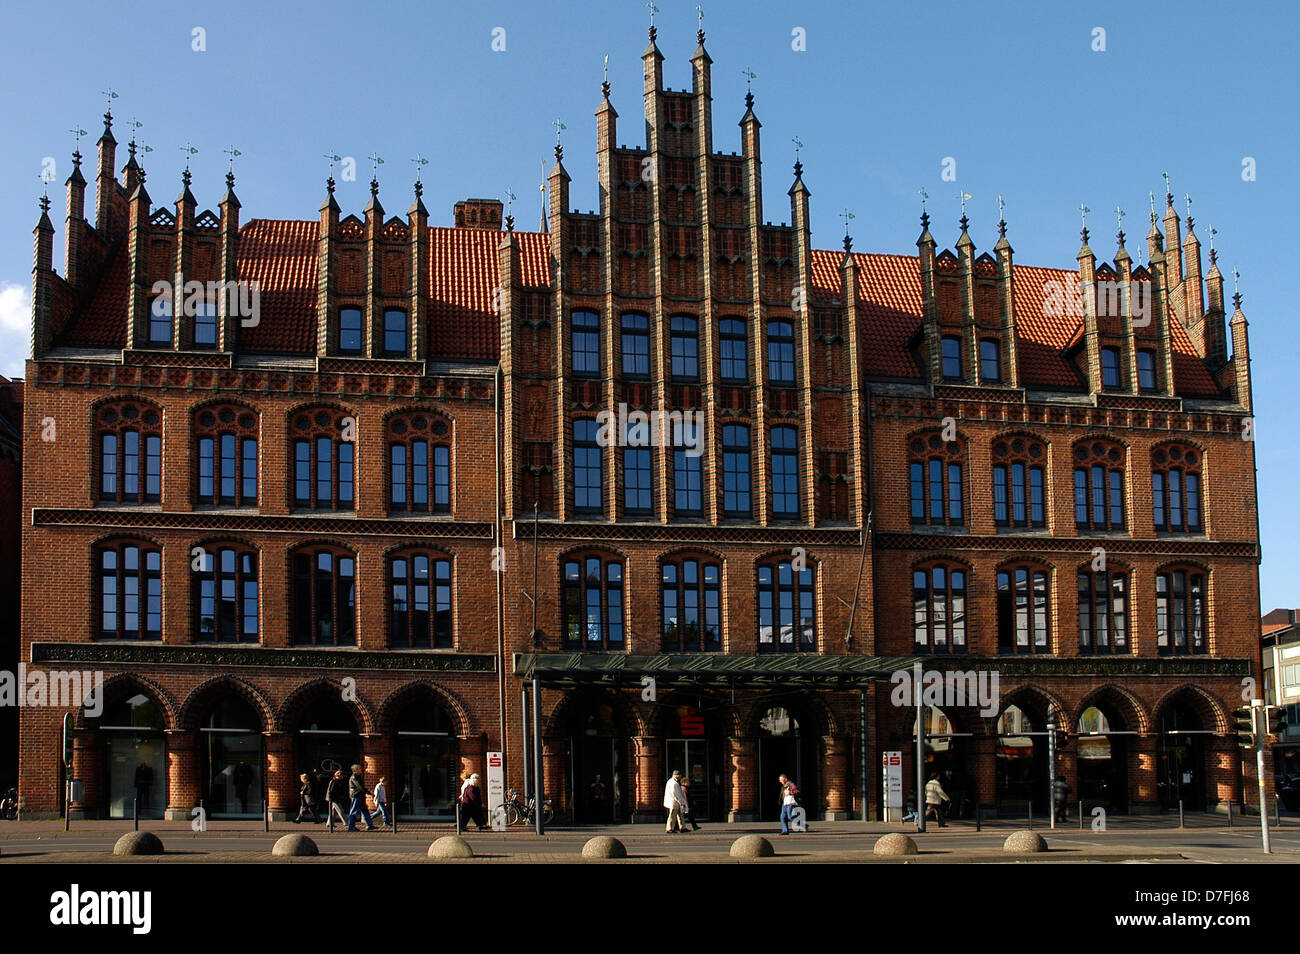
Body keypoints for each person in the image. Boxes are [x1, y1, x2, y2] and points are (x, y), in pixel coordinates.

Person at [347, 764, 378, 831]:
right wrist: (368, 792)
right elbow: (359, 787)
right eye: (360, 769)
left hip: (360, 795)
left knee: (365, 810)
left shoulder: (358, 776)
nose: (361, 770)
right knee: (354, 811)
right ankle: (351, 826)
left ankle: (369, 825)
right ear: (356, 770)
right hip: (356, 795)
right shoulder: (354, 777)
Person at [663, 769, 687, 833]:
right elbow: (676, 795)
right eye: (680, 776)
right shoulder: (674, 783)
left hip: (675, 802)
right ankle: (669, 828)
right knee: (672, 816)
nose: (680, 777)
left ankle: (683, 827)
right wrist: (681, 802)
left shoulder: (671, 781)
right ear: (677, 776)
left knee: (680, 815)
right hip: (674, 802)